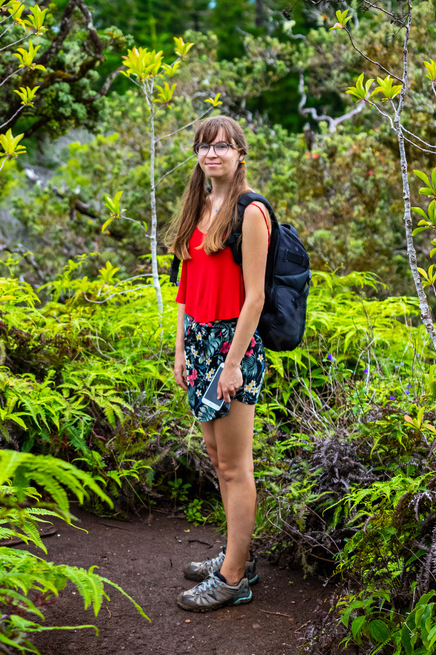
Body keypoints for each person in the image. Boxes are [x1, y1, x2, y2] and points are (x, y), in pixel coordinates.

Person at [165, 114, 270, 612]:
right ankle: (236, 553)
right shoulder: (200, 205)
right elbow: (186, 288)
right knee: (215, 453)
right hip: (201, 342)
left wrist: (231, 365)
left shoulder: (249, 212)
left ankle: (233, 578)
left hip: (234, 345)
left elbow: (255, 298)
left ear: (240, 154)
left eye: (223, 146)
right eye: (205, 146)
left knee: (234, 465)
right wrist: (182, 347)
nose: (213, 154)